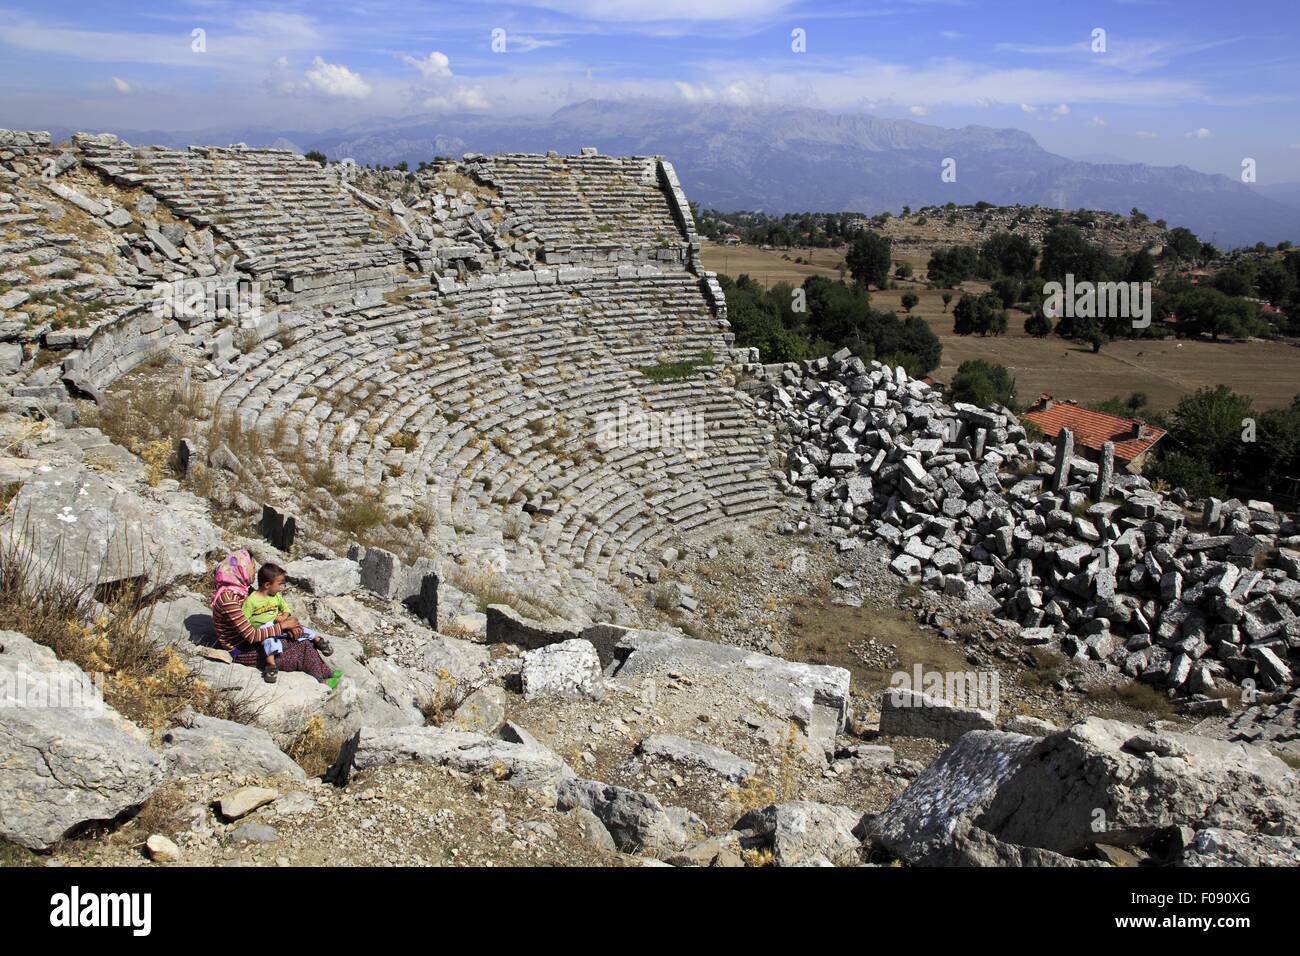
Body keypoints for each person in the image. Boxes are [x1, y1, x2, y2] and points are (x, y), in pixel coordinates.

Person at [210, 550, 339, 687]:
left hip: (256, 640)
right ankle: (321, 682)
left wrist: (288, 625)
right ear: (241, 569)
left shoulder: (242, 590)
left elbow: (266, 612)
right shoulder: (228, 599)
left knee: (302, 637)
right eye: (252, 567)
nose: (254, 572)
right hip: (240, 650)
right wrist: (282, 627)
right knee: (302, 646)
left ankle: (326, 673)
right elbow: (251, 636)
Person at [242, 562, 333, 683]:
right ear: (267, 584)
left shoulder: (276, 596)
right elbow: (245, 621)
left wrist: (284, 617)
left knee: (301, 628)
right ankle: (271, 665)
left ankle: (318, 641)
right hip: (264, 629)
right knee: (269, 640)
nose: (280, 588)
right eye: (279, 584)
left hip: (277, 624)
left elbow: (286, 609)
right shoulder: (251, 601)